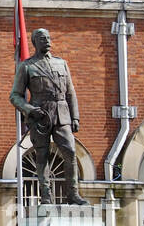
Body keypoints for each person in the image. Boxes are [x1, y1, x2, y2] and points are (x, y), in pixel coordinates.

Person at [9, 26, 88, 206]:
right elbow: (15, 95)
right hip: (40, 115)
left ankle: (73, 194)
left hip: (62, 113)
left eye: (48, 37)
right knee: (42, 155)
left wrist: (75, 117)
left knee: (70, 151)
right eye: (42, 38)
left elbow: (70, 92)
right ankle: (46, 194)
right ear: (35, 42)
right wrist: (28, 109)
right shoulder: (27, 66)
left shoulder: (62, 63)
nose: (46, 40)